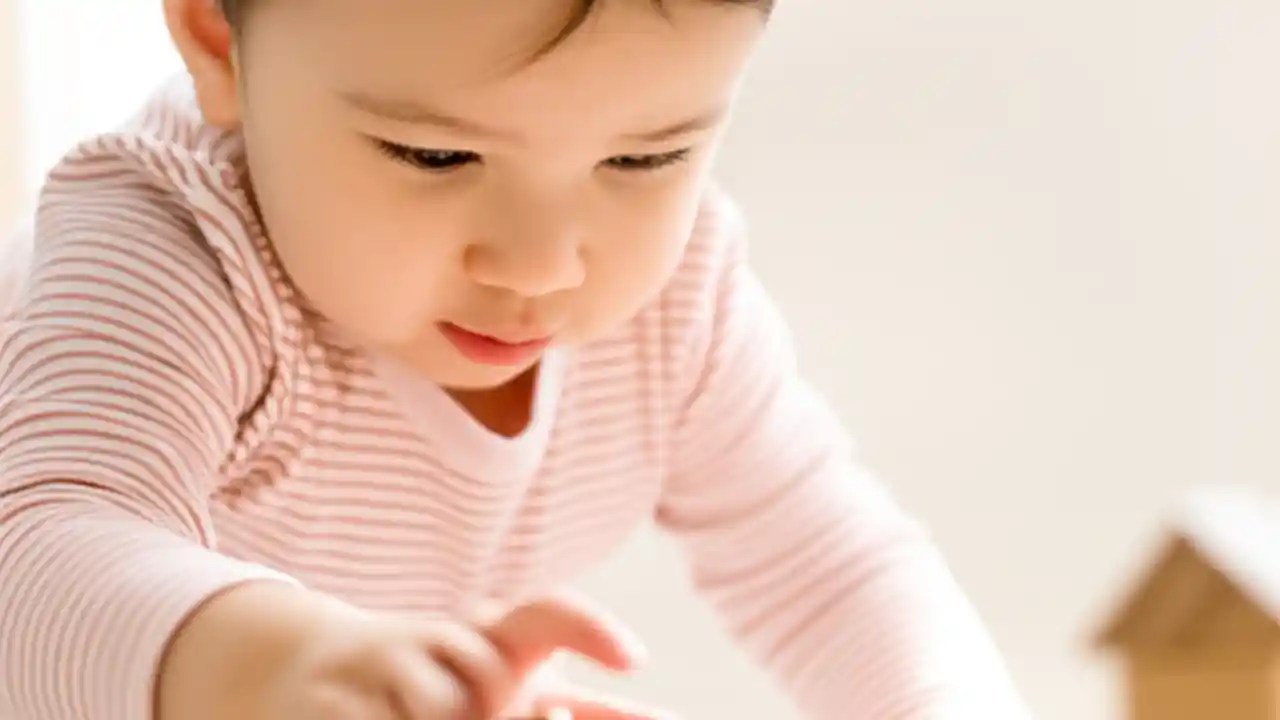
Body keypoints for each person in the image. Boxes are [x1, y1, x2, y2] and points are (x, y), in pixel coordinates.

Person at [0, 1, 1029, 718]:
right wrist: (273, 671)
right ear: (218, 38)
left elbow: (831, 568)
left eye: (642, 158)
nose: (539, 265)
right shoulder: (173, 247)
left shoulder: (678, 302)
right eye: (437, 156)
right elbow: (39, 556)